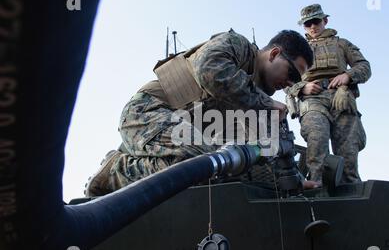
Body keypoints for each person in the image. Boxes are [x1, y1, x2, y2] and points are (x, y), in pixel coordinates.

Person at [85, 29, 315, 196]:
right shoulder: (239, 46)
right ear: (274, 54)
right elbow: (209, 70)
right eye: (293, 74)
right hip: (145, 113)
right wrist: (263, 103)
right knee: (207, 161)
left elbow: (269, 145)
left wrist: (293, 179)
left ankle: (130, 168)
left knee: (224, 166)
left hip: (173, 137)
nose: (289, 84)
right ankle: (115, 171)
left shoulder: (255, 99)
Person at [285, 4, 371, 185]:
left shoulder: (342, 44)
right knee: (317, 145)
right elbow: (282, 77)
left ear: (325, 20)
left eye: (316, 22)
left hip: (341, 98)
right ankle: (316, 192)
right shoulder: (297, 50)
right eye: (307, 24)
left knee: (348, 156)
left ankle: (352, 196)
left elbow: (364, 67)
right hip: (312, 100)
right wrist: (302, 87)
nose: (313, 27)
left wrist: (347, 75)